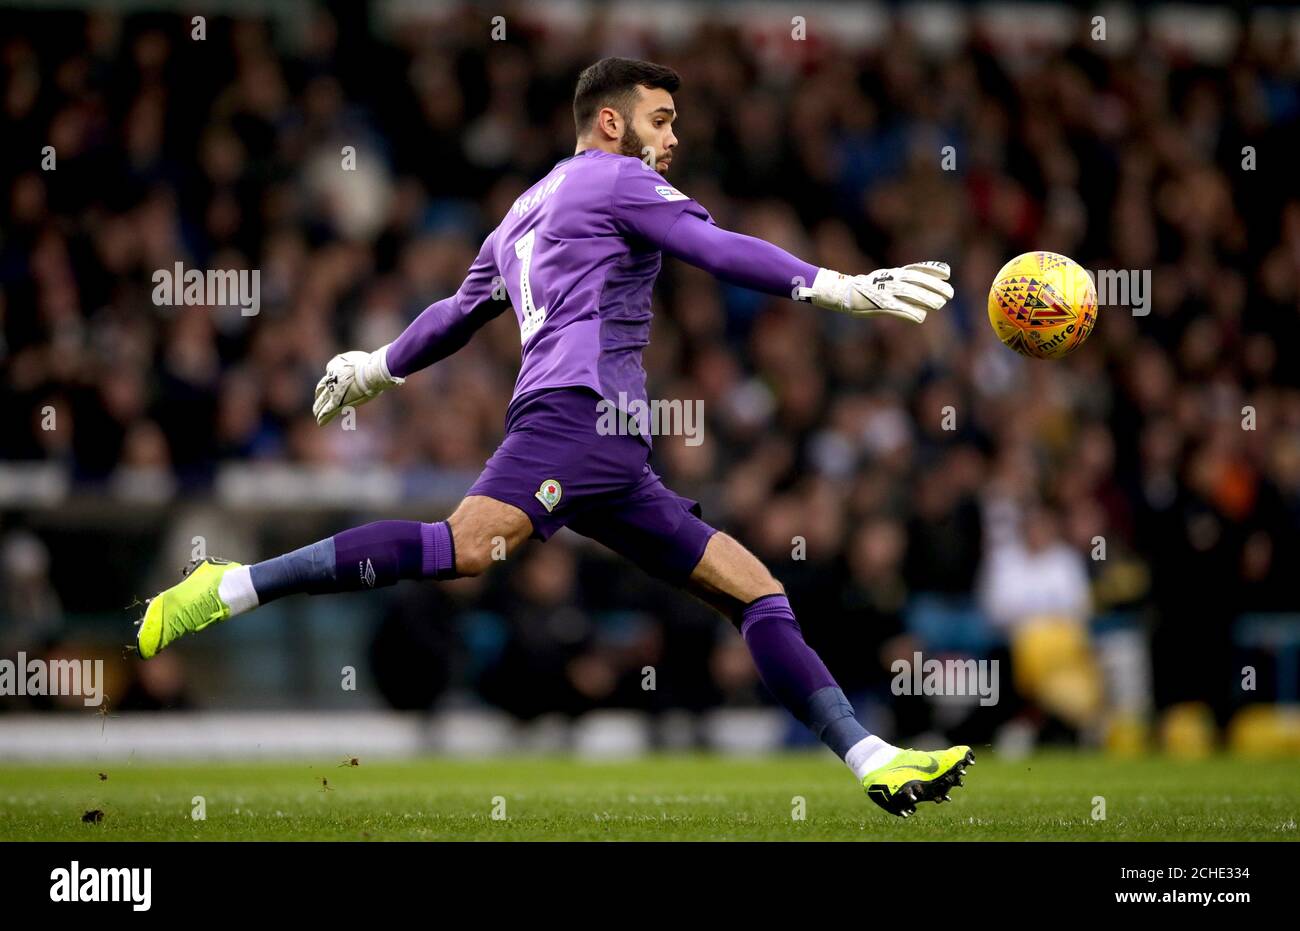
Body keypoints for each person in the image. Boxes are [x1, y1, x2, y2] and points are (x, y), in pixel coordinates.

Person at [136, 57, 970, 817]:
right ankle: (234, 583)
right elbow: (711, 247)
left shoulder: (524, 208)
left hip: (612, 452)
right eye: (662, 120)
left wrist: (379, 366)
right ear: (611, 123)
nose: (674, 138)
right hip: (573, 419)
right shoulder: (615, 181)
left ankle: (871, 758)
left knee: (753, 589)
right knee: (463, 548)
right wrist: (836, 287)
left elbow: (459, 314)